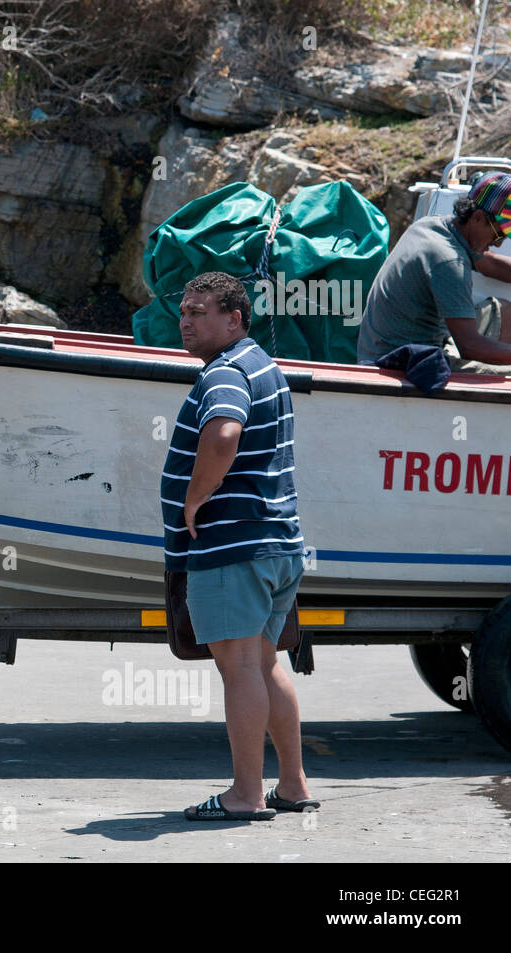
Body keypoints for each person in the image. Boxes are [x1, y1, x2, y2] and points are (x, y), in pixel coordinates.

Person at [161, 271, 318, 822]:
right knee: (267, 661)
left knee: (240, 668)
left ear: (234, 319)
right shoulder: (264, 366)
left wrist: (193, 499)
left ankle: (246, 795)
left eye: (199, 311)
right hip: (277, 545)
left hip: (234, 546)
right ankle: (293, 785)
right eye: (183, 310)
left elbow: (224, 433)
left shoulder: (225, 373)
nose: (186, 320)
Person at [357, 170, 511, 374]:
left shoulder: (436, 226)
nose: (499, 243)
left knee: (505, 311)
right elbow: (470, 347)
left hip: (374, 349)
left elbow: (488, 263)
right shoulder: (449, 261)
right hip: (400, 363)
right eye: (499, 234)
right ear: (478, 218)